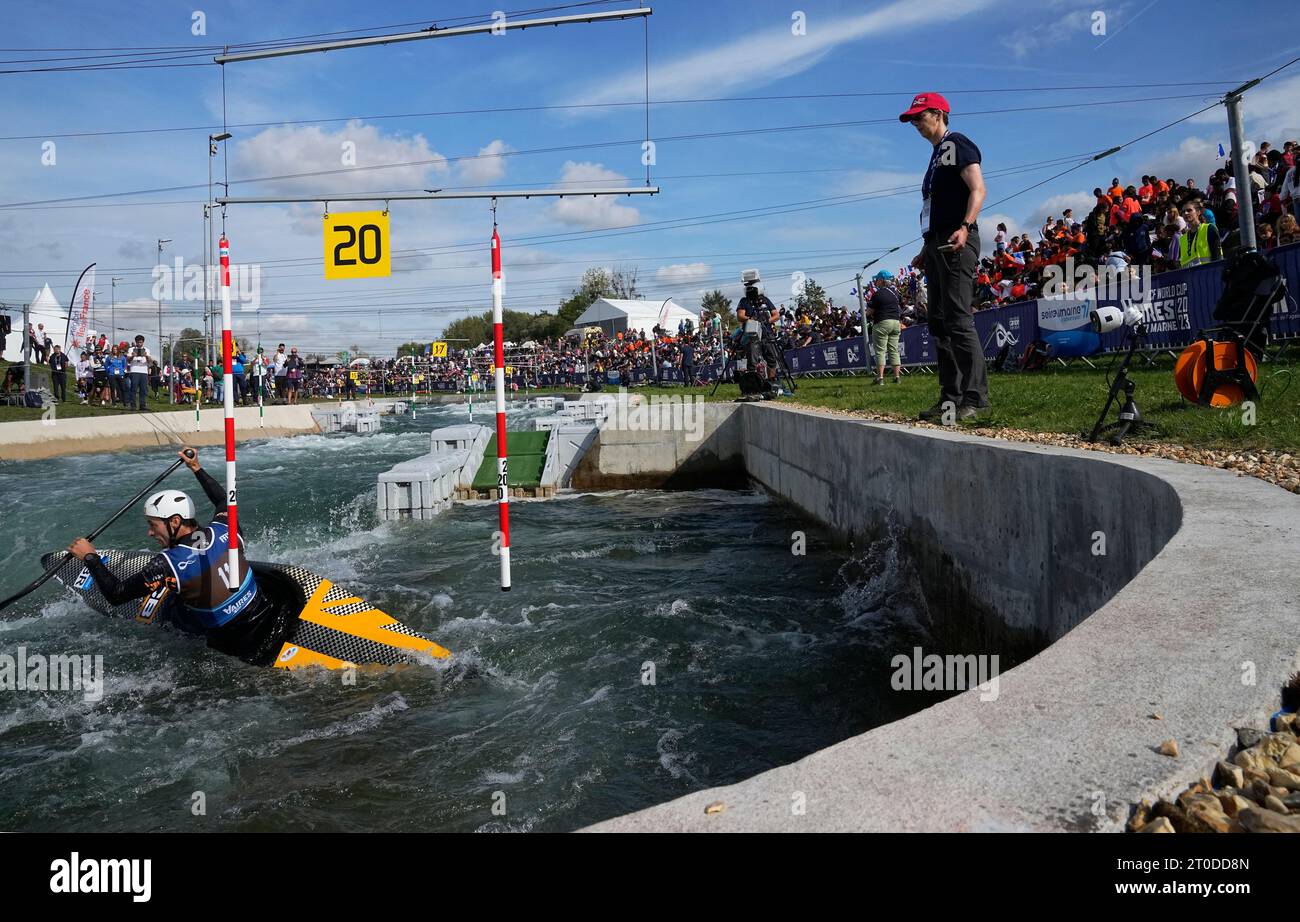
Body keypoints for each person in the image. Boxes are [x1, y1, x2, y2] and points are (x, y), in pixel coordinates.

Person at [64, 448, 290, 665]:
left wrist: (90, 557)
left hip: (236, 642)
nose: (150, 533)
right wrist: (196, 468)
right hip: (264, 612)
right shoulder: (225, 527)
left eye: (153, 525)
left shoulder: (167, 564)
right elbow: (223, 500)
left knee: (174, 609)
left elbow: (117, 594)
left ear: (174, 522)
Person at [900, 91, 989, 421]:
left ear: (939, 114)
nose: (916, 124)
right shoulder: (937, 156)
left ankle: (976, 397)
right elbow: (935, 207)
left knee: (957, 317)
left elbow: (978, 188)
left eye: (920, 117)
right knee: (938, 322)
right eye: (913, 120)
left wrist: (965, 226)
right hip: (937, 243)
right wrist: (926, 246)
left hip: (957, 240)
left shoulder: (956, 144)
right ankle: (949, 397)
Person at [868, 270, 903, 385]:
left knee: (880, 351)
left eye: (877, 279)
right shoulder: (895, 293)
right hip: (896, 322)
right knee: (894, 350)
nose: (876, 282)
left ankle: (880, 378)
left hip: (882, 322)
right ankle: (897, 377)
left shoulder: (877, 294)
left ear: (881, 280)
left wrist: (868, 313)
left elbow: (869, 311)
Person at [1178, 198, 1222, 267]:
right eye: (1183, 212)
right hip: (1191, 277)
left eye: (1189, 210)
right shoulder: (1182, 239)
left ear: (1198, 212)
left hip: (1209, 275)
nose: (1185, 213)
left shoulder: (1209, 229)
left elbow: (1217, 257)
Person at [127, 335, 151, 411]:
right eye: (138, 342)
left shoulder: (146, 349)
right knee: (133, 388)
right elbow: (128, 360)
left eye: (141, 342)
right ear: (136, 342)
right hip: (134, 370)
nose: (140, 344)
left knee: (143, 389)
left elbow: (150, 361)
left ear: (143, 342)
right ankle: (133, 405)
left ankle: (142, 404)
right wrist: (132, 356)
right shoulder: (131, 349)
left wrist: (146, 356)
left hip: (144, 371)